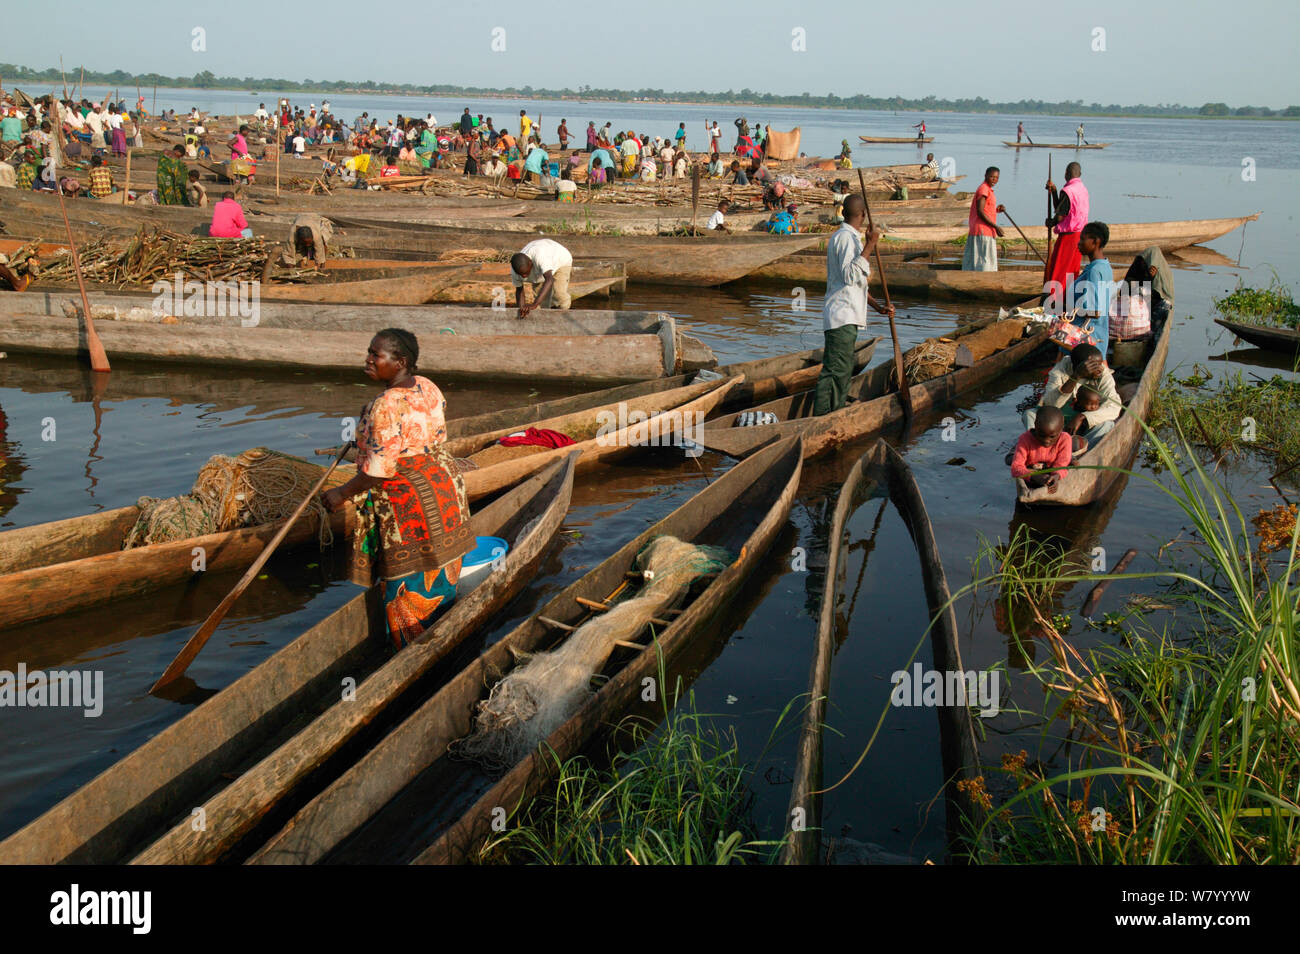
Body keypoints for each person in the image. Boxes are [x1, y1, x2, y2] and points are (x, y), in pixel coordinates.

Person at [320, 329, 473, 648]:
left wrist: (340, 494)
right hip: (444, 485)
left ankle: (410, 649)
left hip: (408, 498)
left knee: (408, 577)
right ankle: (446, 628)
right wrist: (369, 419)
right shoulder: (426, 385)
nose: (368, 359)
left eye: (376, 355)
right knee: (440, 562)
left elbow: (377, 472)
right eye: (370, 352)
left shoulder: (386, 405)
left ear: (400, 361)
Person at [814, 194, 894, 415]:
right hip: (842, 316)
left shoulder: (849, 238)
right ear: (863, 215)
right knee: (834, 372)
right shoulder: (846, 239)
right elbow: (850, 276)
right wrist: (870, 245)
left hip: (847, 315)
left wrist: (878, 307)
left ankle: (835, 413)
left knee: (842, 372)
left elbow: (856, 284)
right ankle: (822, 418)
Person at [1024, 342, 1121, 450]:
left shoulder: (1102, 373)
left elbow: (1114, 406)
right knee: (1030, 414)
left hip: (1084, 425)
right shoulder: (1059, 372)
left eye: (1100, 364)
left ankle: (1077, 451)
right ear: (1078, 366)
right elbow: (1050, 405)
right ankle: (1039, 449)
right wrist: (1075, 377)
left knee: (1107, 425)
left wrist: (1083, 417)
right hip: (1057, 423)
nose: (1100, 369)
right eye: (1093, 366)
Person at [1043, 161, 1090, 302]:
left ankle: (1054, 301)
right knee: (1071, 270)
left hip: (1069, 237)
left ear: (1066, 174)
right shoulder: (1082, 189)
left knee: (1060, 269)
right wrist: (1054, 192)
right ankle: (1067, 299)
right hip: (1080, 235)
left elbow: (1060, 215)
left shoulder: (1069, 191)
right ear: (1079, 174)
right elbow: (1062, 207)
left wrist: (1050, 223)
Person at [1010, 405, 1070, 493]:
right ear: (1035, 426)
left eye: (1052, 437)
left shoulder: (1065, 439)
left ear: (1061, 429)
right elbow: (1016, 468)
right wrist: (1034, 476)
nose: (1046, 441)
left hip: (1052, 472)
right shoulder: (1025, 439)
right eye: (1041, 435)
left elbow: (1062, 465)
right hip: (1032, 473)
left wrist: (1057, 475)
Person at [511, 239, 573, 315]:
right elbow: (519, 290)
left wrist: (534, 304)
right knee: (541, 303)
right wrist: (522, 310)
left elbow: (549, 280)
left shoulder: (539, 256)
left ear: (531, 263)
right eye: (521, 274)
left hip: (561, 260)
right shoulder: (515, 270)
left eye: (526, 273)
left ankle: (564, 317)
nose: (524, 276)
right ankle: (544, 320)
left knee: (559, 294)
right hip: (541, 271)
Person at [962, 166, 1004, 272]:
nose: (994, 180)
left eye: (996, 178)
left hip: (985, 231)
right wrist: (996, 227)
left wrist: (996, 210)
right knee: (983, 261)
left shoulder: (988, 190)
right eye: (992, 177)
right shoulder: (984, 189)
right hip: (982, 231)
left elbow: (986, 210)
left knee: (981, 260)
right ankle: (981, 282)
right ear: (985, 176)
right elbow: (980, 212)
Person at [1061, 386, 1103, 454]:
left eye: (1097, 404)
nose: (1094, 407)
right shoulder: (1067, 410)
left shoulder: (1092, 413)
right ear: (1079, 401)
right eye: (1090, 404)